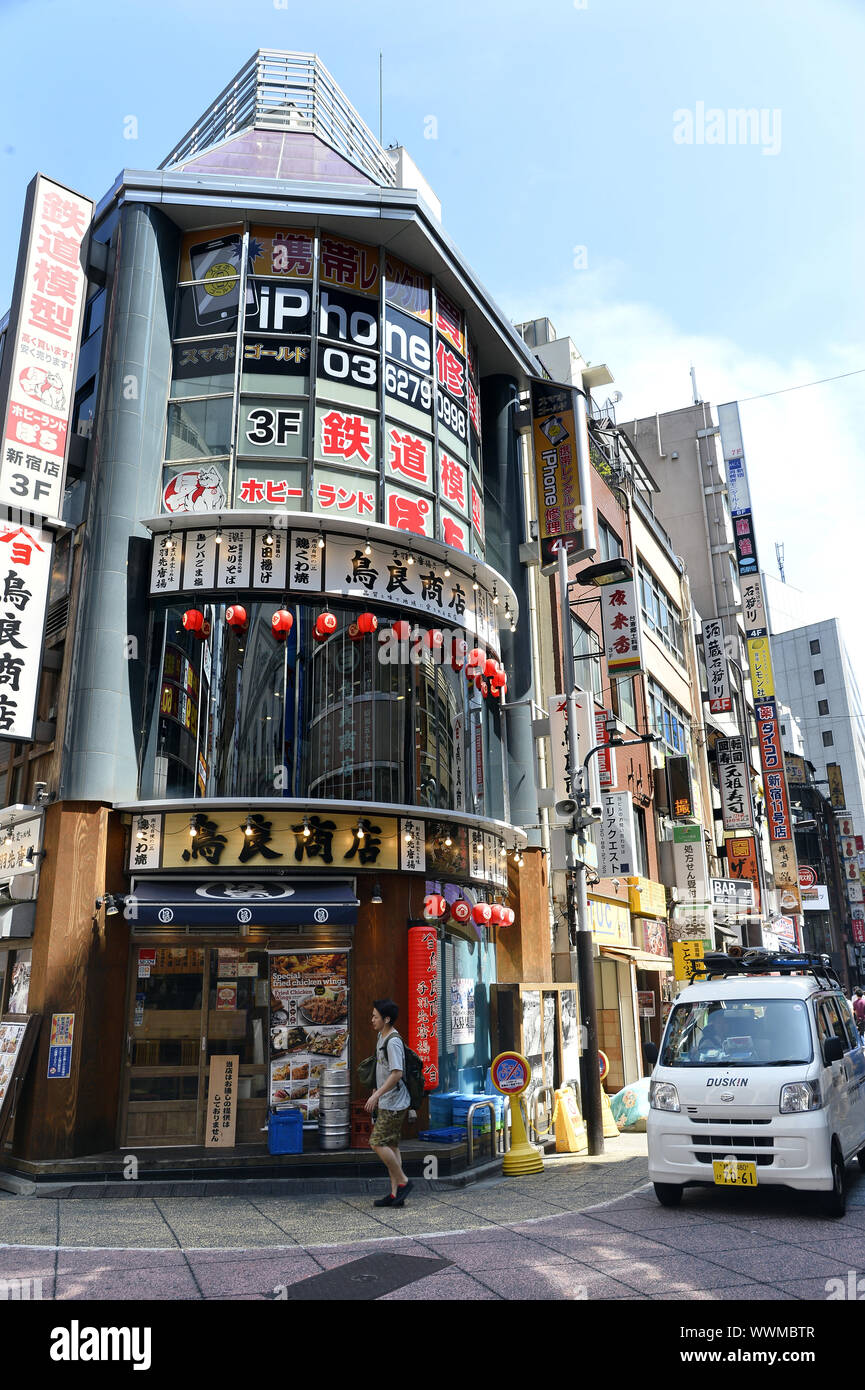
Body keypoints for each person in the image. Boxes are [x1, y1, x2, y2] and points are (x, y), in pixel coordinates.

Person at [364, 999, 413, 1207]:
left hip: (395, 1103)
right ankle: (395, 1194)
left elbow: (396, 1073)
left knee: (376, 1142)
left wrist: (376, 1095)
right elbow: (381, 1069)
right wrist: (376, 1091)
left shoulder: (392, 1041)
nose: (372, 1019)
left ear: (386, 1019)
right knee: (392, 1146)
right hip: (387, 1100)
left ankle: (403, 1181)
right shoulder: (380, 1036)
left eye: (375, 1016)